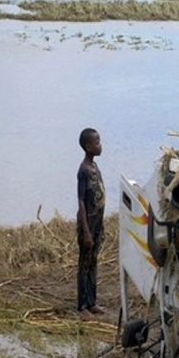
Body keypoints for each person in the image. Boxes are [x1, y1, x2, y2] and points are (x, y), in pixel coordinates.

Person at [76, 128, 106, 321]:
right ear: (88, 147)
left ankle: (92, 302)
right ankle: (82, 306)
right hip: (87, 226)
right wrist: (86, 231)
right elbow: (81, 202)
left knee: (93, 262)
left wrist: (100, 227)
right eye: (96, 143)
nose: (100, 145)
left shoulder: (95, 167)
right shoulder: (84, 171)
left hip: (97, 224)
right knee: (84, 264)